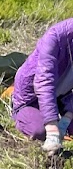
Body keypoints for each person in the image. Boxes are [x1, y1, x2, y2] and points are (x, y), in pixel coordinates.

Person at [11, 18, 73, 155]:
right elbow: (44, 82)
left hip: (62, 97)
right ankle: (19, 114)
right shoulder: (55, 37)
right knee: (39, 130)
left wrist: (66, 121)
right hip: (32, 98)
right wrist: (52, 129)